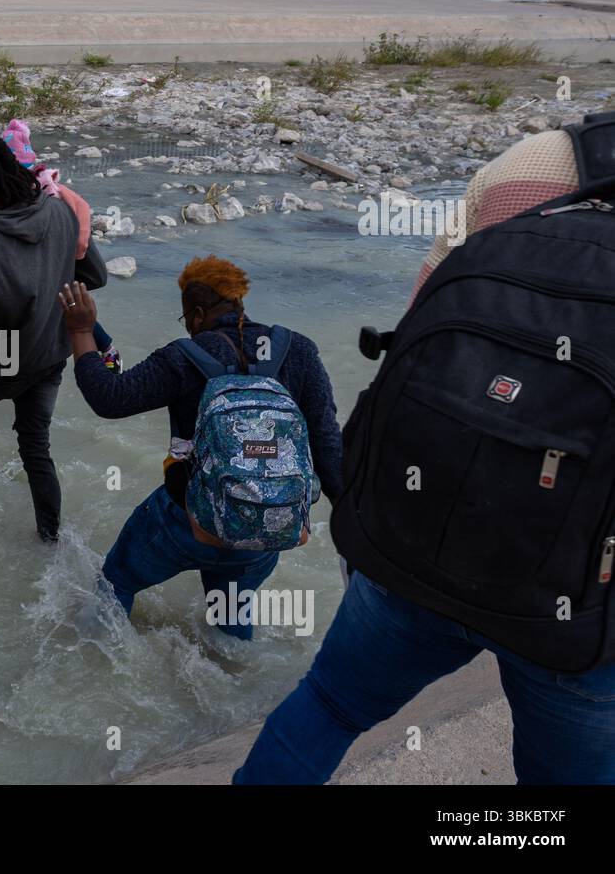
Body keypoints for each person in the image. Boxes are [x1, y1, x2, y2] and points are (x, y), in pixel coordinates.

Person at [234, 123, 615, 784]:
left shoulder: (526, 162)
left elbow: (418, 339)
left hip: (415, 542)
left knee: (326, 706)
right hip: (576, 601)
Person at [60, 255, 343, 637]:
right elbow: (327, 444)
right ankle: (237, 681)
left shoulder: (182, 357)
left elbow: (109, 398)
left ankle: (92, 666)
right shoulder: (300, 351)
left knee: (117, 584)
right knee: (231, 616)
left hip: (185, 520)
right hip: (266, 523)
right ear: (239, 302)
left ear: (195, 314)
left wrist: (81, 331)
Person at [0, 127, 108, 543]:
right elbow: (95, 275)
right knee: (37, 449)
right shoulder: (60, 212)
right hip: (52, 356)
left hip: (2, 363)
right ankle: (51, 537)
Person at [2, 119, 121, 371]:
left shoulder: (47, 192)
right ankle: (105, 348)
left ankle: (106, 348)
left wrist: (77, 251)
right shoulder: (44, 190)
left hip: (56, 262)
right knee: (63, 300)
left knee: (62, 301)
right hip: (56, 262)